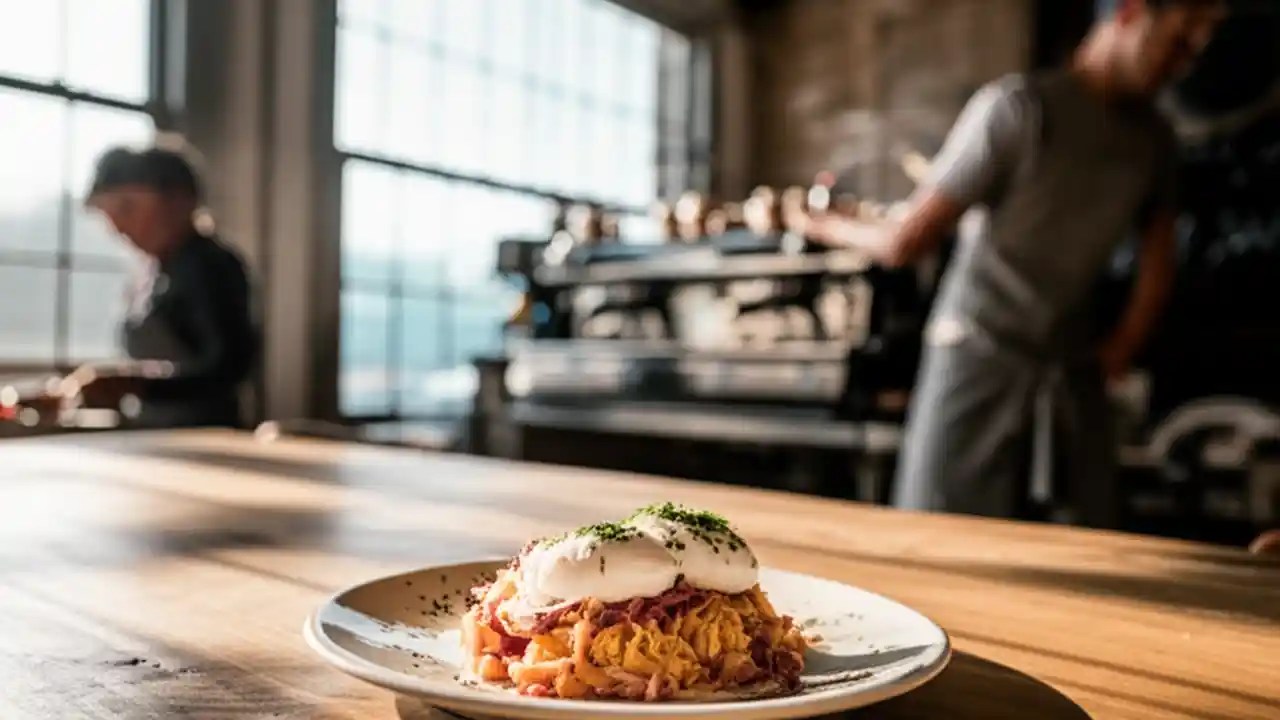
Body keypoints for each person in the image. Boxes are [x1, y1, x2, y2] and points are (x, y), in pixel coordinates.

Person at [803, 0, 1224, 526]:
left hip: (1067, 373)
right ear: (1130, 13)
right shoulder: (1021, 107)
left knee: (1074, 555)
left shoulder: (1151, 140)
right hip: (979, 364)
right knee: (943, 545)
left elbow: (898, 243)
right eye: (1178, 41)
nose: (1183, 63)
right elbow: (909, 241)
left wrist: (815, 223)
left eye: (1193, 52)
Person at [75, 144, 255, 427]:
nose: (118, 226)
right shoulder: (148, 272)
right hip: (153, 431)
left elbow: (227, 366)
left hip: (204, 437)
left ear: (180, 201)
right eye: (110, 214)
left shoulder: (209, 266)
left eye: (128, 207)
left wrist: (139, 385)